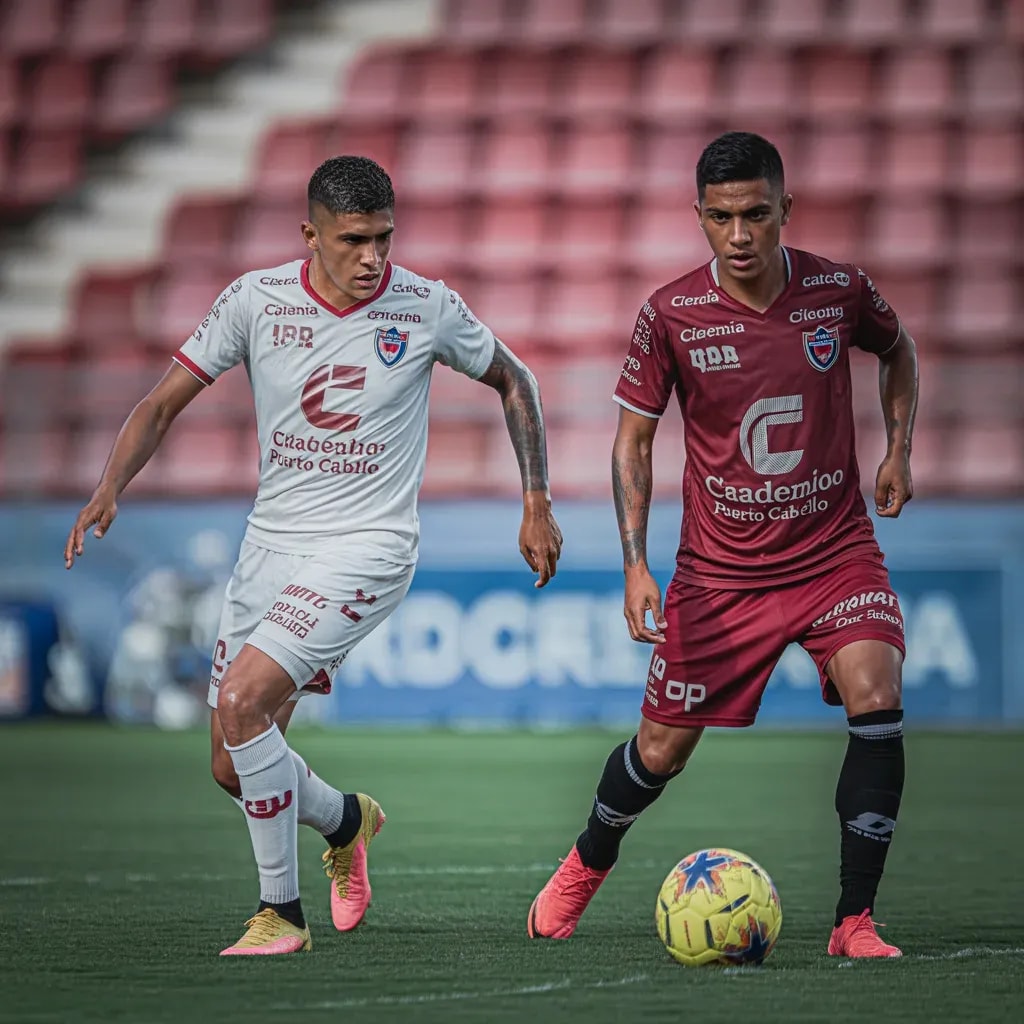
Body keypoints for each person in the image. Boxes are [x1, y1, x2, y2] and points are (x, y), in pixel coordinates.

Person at [65, 155, 563, 956]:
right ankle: (346, 821)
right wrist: (109, 486)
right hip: (270, 550)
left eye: (384, 239)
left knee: (240, 702)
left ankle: (280, 916)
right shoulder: (254, 301)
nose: (373, 257)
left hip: (368, 547)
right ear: (311, 235)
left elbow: (517, 382)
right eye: (354, 239)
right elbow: (162, 402)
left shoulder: (427, 306)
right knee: (232, 767)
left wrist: (535, 500)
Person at [527, 132, 918, 958]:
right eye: (721, 217)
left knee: (876, 693)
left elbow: (898, 351)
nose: (740, 235)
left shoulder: (838, 291)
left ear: (786, 210)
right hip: (721, 575)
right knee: (660, 751)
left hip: (833, 552)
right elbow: (633, 442)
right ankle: (585, 865)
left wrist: (898, 449)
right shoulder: (671, 314)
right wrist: (636, 563)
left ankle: (853, 922)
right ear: (699, 217)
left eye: (756, 215)